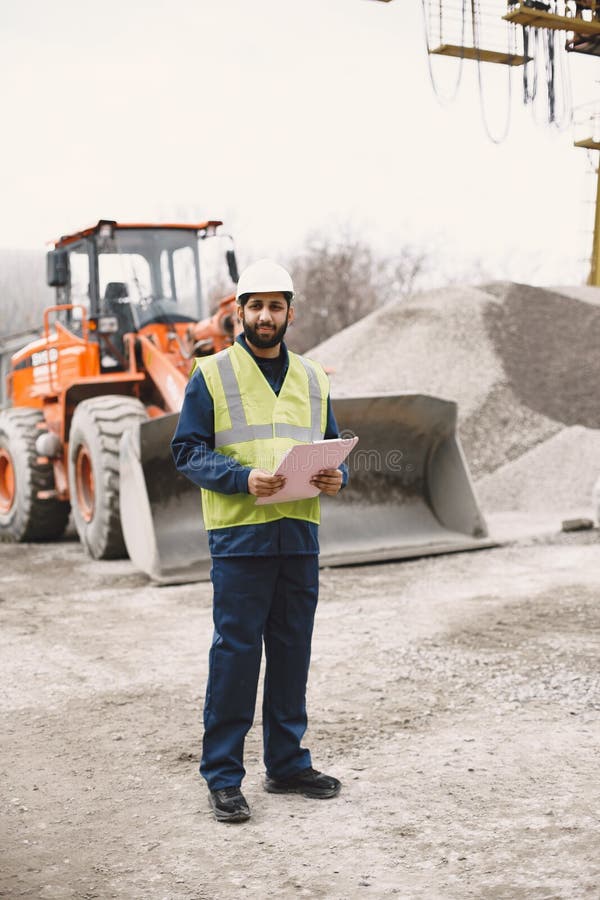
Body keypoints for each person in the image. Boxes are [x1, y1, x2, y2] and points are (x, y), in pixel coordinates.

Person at [171, 258, 348, 823]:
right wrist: (241, 478)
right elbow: (187, 450)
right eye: (255, 305)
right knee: (237, 654)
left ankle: (288, 764)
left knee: (292, 650)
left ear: (289, 313)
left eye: (275, 306)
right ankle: (223, 776)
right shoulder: (212, 373)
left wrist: (338, 476)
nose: (265, 315)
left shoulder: (315, 378)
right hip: (240, 535)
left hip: (298, 535)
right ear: (239, 313)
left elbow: (329, 445)